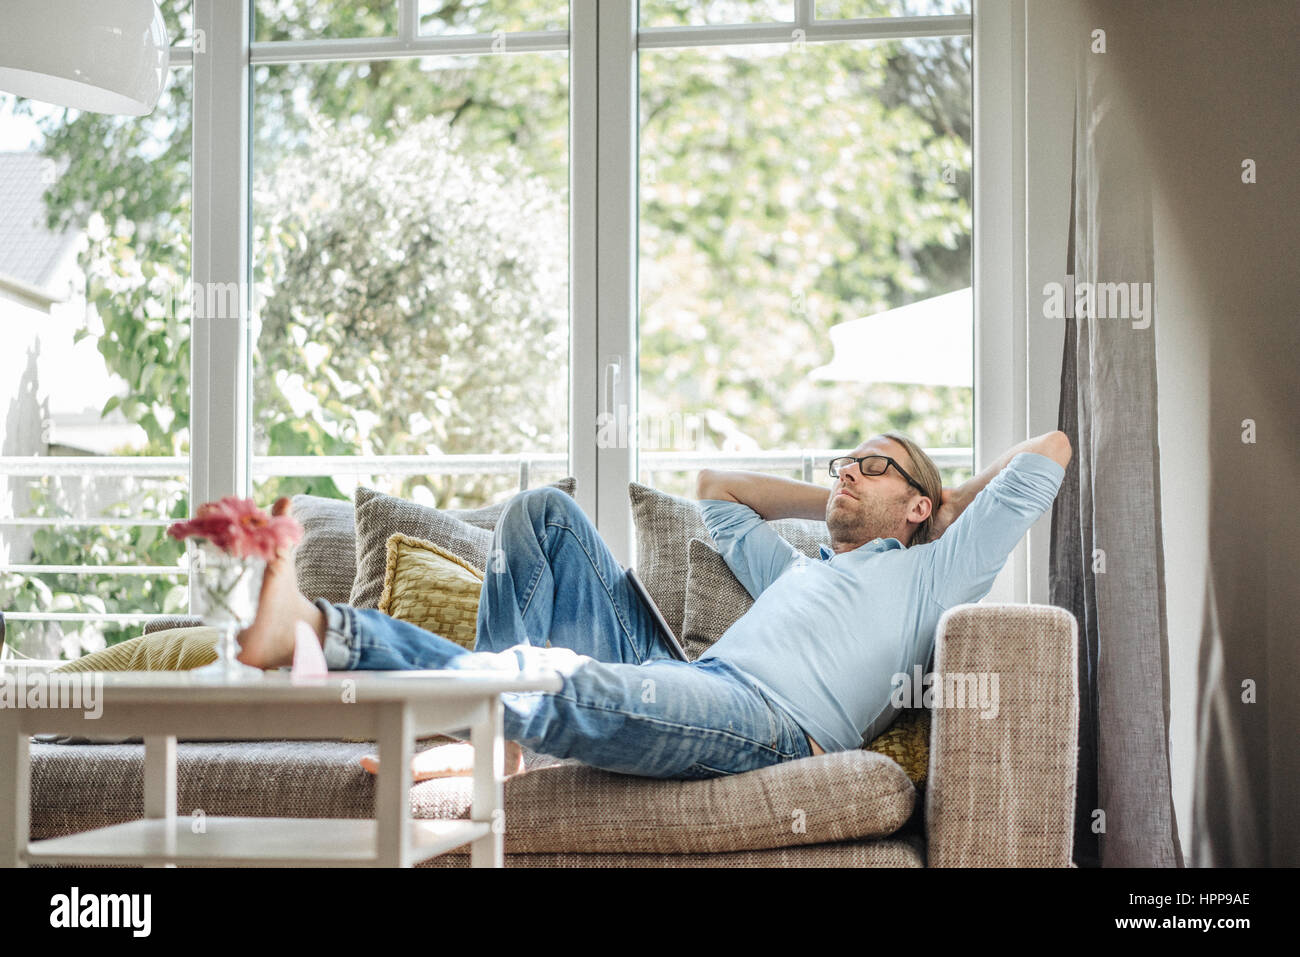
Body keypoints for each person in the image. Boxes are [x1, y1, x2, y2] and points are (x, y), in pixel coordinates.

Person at [237, 429, 1071, 781]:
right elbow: (718, 491)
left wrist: (946, 500)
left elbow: (1051, 450)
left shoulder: (937, 572)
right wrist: (848, 502)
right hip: (694, 677)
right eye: (843, 460)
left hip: (772, 723)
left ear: (919, 506)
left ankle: (320, 630)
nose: (846, 470)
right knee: (544, 514)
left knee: (564, 679)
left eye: (873, 465)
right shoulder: (795, 568)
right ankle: (488, 741)